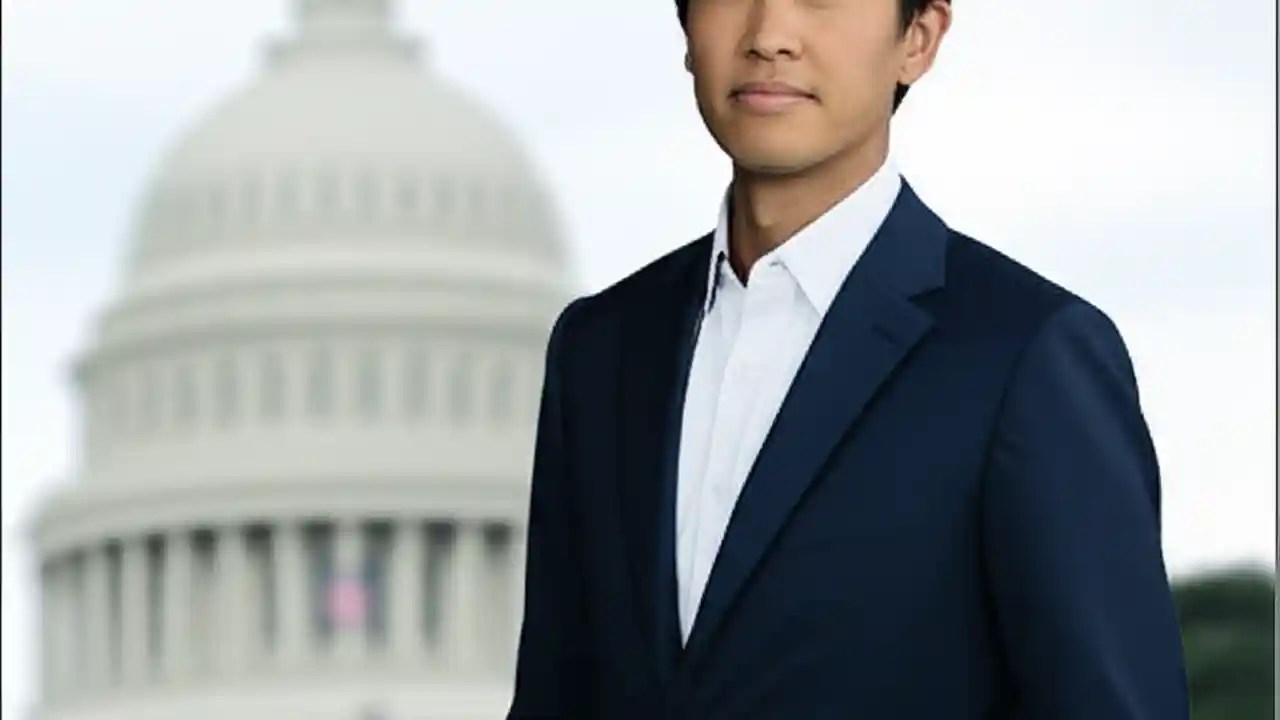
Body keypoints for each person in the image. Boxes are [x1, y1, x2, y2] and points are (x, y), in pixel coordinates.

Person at [507, 0, 1190, 717]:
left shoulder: (1028, 356)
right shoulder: (599, 347)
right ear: (685, 29)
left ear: (917, 39)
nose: (769, 36)